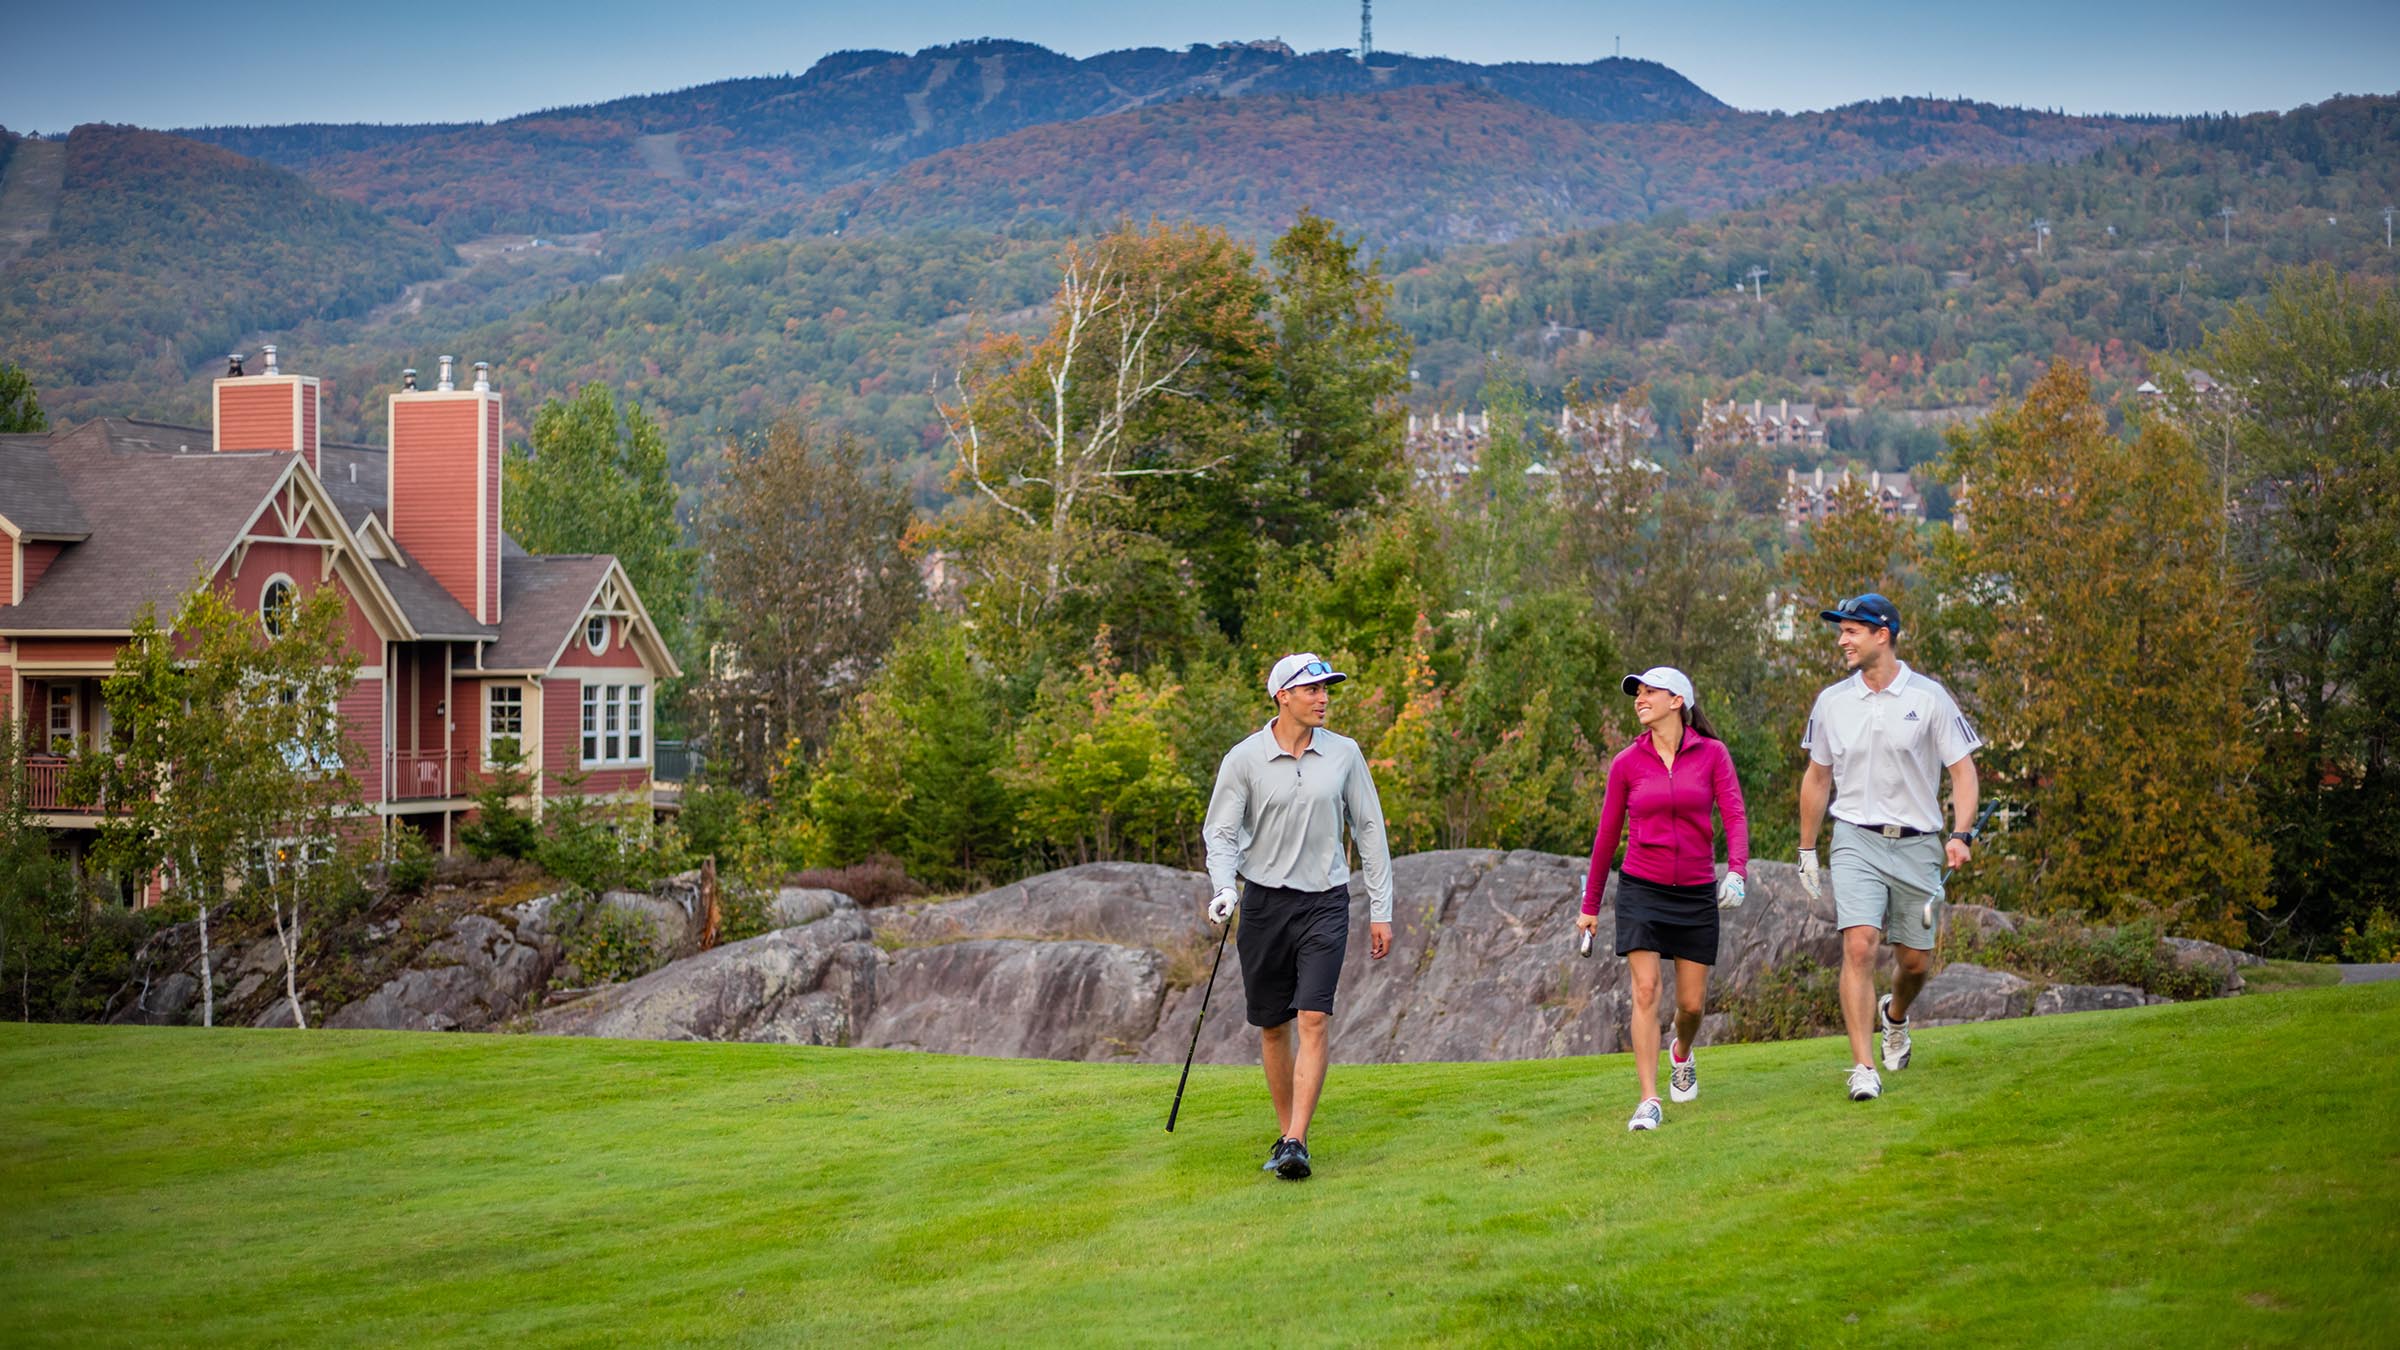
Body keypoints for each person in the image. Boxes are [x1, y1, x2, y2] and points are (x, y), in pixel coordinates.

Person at [1202, 652, 1395, 1181]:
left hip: (1326, 901)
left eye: (1327, 689)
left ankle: (1295, 1139)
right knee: (1272, 1026)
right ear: (1282, 695)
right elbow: (1219, 833)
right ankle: (1288, 1136)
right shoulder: (1243, 759)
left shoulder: (1345, 754)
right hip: (1263, 902)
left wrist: (1382, 907)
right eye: (1312, 690)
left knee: (1313, 1017)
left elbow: (1370, 831)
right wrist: (1223, 887)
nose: (1324, 697)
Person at [1796, 593, 1982, 1102]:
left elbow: (1963, 772)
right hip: (1855, 838)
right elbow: (1817, 779)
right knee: (1858, 945)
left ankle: (1894, 1015)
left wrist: (1962, 833)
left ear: (1883, 634)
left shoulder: (1930, 698)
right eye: (1840, 631)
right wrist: (1807, 849)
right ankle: (1861, 1067)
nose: (1842, 640)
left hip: (1919, 844)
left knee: (1916, 963)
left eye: (1851, 630)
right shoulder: (1832, 702)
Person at [1577, 666, 1751, 1132]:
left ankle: (1682, 1052)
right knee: (1646, 990)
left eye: (1650, 691)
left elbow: (1734, 815)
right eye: (1637, 692)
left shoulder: (1712, 755)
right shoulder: (1626, 764)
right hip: (1641, 888)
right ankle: (1649, 1099)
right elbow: (1607, 835)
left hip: (1695, 892)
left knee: (1691, 1006)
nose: (1640, 699)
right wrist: (1590, 905)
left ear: (1678, 701)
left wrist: (1737, 870)